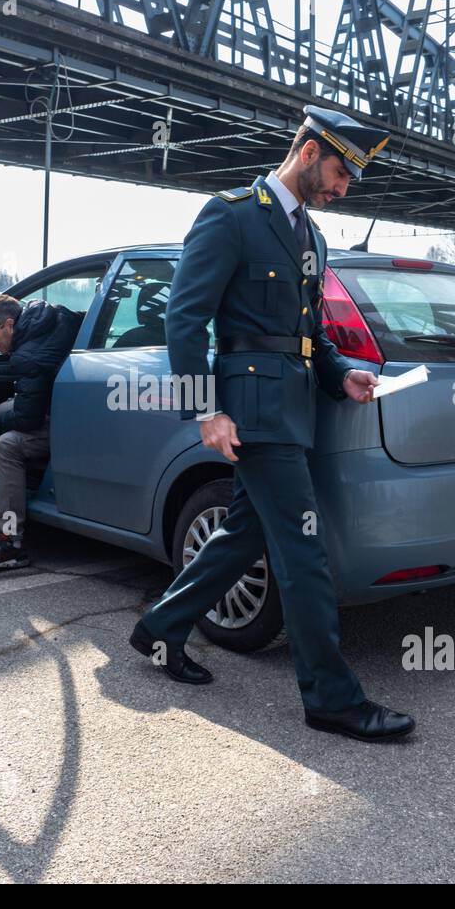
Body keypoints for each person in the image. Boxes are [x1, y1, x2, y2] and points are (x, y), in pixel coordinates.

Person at [128, 104, 416, 742]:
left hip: (295, 409)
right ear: (309, 152)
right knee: (304, 555)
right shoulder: (231, 216)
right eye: (341, 173)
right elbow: (183, 319)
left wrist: (340, 373)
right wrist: (206, 410)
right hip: (252, 414)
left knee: (241, 536)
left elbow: (308, 333)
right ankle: (331, 698)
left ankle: (160, 627)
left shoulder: (311, 237)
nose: (344, 189)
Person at [0, 294, 81, 569]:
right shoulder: (56, 317)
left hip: (69, 424)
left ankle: (9, 543)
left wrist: (0, 416)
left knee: (5, 445)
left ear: (9, 324)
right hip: (80, 411)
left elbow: (27, 420)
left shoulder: (27, 354)